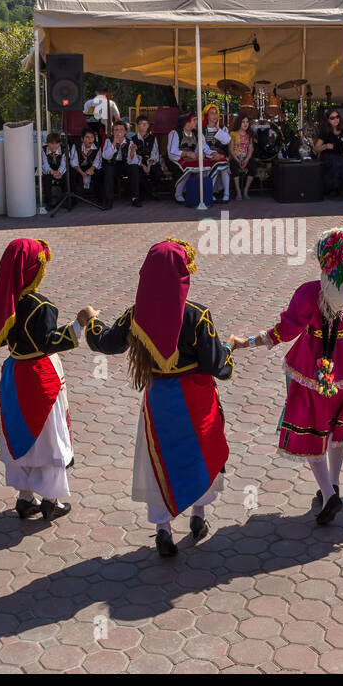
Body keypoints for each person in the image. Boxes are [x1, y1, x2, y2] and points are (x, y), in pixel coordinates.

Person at [85, 239, 234, 558]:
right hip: (196, 400)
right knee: (198, 455)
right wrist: (229, 351)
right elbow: (215, 365)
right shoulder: (198, 315)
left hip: (159, 401)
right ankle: (198, 517)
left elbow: (109, 343)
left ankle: (163, 529)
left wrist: (90, 323)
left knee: (159, 462)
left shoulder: (137, 315)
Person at [229, 229, 343, 524]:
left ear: (322, 260)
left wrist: (246, 342)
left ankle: (328, 492)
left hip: (313, 369)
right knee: (339, 429)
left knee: (312, 429)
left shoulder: (310, 292)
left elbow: (284, 332)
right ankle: (334, 483)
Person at [0, 239, 90, 520]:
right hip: (40, 376)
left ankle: (25, 496)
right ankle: (51, 499)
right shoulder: (40, 305)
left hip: (14, 373)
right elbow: (49, 342)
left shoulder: (5, 301)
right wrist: (79, 323)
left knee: (20, 432)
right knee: (48, 436)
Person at [167, 111, 230, 203]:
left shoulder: (197, 134)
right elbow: (172, 151)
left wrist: (211, 154)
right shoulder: (175, 133)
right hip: (175, 159)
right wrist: (187, 154)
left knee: (205, 166)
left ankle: (201, 193)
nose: (196, 122)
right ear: (186, 122)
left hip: (191, 158)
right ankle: (178, 193)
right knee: (187, 168)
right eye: (194, 120)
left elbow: (204, 147)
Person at [126, 115, 163, 207]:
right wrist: (143, 165)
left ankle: (153, 191)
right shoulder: (133, 139)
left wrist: (149, 165)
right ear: (137, 126)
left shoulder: (152, 138)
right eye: (141, 124)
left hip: (150, 162)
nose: (143, 126)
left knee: (157, 170)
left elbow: (155, 153)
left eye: (145, 124)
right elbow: (134, 155)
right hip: (139, 163)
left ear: (148, 125)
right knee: (138, 173)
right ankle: (143, 193)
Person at [314, 108, 343, 198]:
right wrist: (325, 146)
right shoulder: (325, 132)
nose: (335, 120)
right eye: (332, 118)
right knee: (336, 163)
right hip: (329, 155)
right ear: (328, 120)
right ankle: (332, 190)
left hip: (342, 154)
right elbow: (316, 149)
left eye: (337, 117)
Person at [100, 121, 132, 210]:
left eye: (121, 129)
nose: (119, 132)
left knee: (134, 168)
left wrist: (132, 152)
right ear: (113, 132)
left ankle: (135, 197)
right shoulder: (108, 141)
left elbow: (132, 160)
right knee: (108, 170)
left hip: (124, 164)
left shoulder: (129, 142)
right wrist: (114, 142)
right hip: (113, 164)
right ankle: (109, 200)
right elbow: (106, 156)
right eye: (116, 130)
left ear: (125, 132)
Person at [227, 114, 255, 200]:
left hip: (245, 158)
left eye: (247, 122)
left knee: (253, 166)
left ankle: (246, 190)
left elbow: (250, 148)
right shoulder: (233, 134)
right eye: (243, 122)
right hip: (235, 157)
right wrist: (237, 159)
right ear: (239, 123)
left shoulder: (249, 134)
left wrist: (247, 159)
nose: (245, 124)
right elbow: (231, 149)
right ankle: (238, 191)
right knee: (234, 167)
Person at [71, 128, 103, 203]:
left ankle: (100, 198)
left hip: (90, 165)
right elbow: (73, 162)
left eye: (92, 137)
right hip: (78, 167)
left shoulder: (97, 146)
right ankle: (73, 200)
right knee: (71, 173)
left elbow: (98, 161)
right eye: (87, 137)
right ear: (82, 139)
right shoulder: (76, 146)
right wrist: (83, 174)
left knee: (100, 172)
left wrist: (92, 169)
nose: (90, 140)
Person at [41, 133, 71, 209]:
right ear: (47, 143)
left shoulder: (64, 149)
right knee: (46, 179)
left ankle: (65, 200)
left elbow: (64, 164)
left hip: (60, 170)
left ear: (60, 143)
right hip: (49, 170)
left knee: (66, 177)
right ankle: (48, 201)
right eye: (51, 143)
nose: (54, 146)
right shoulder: (43, 149)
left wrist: (59, 172)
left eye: (56, 143)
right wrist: (52, 172)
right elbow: (44, 164)